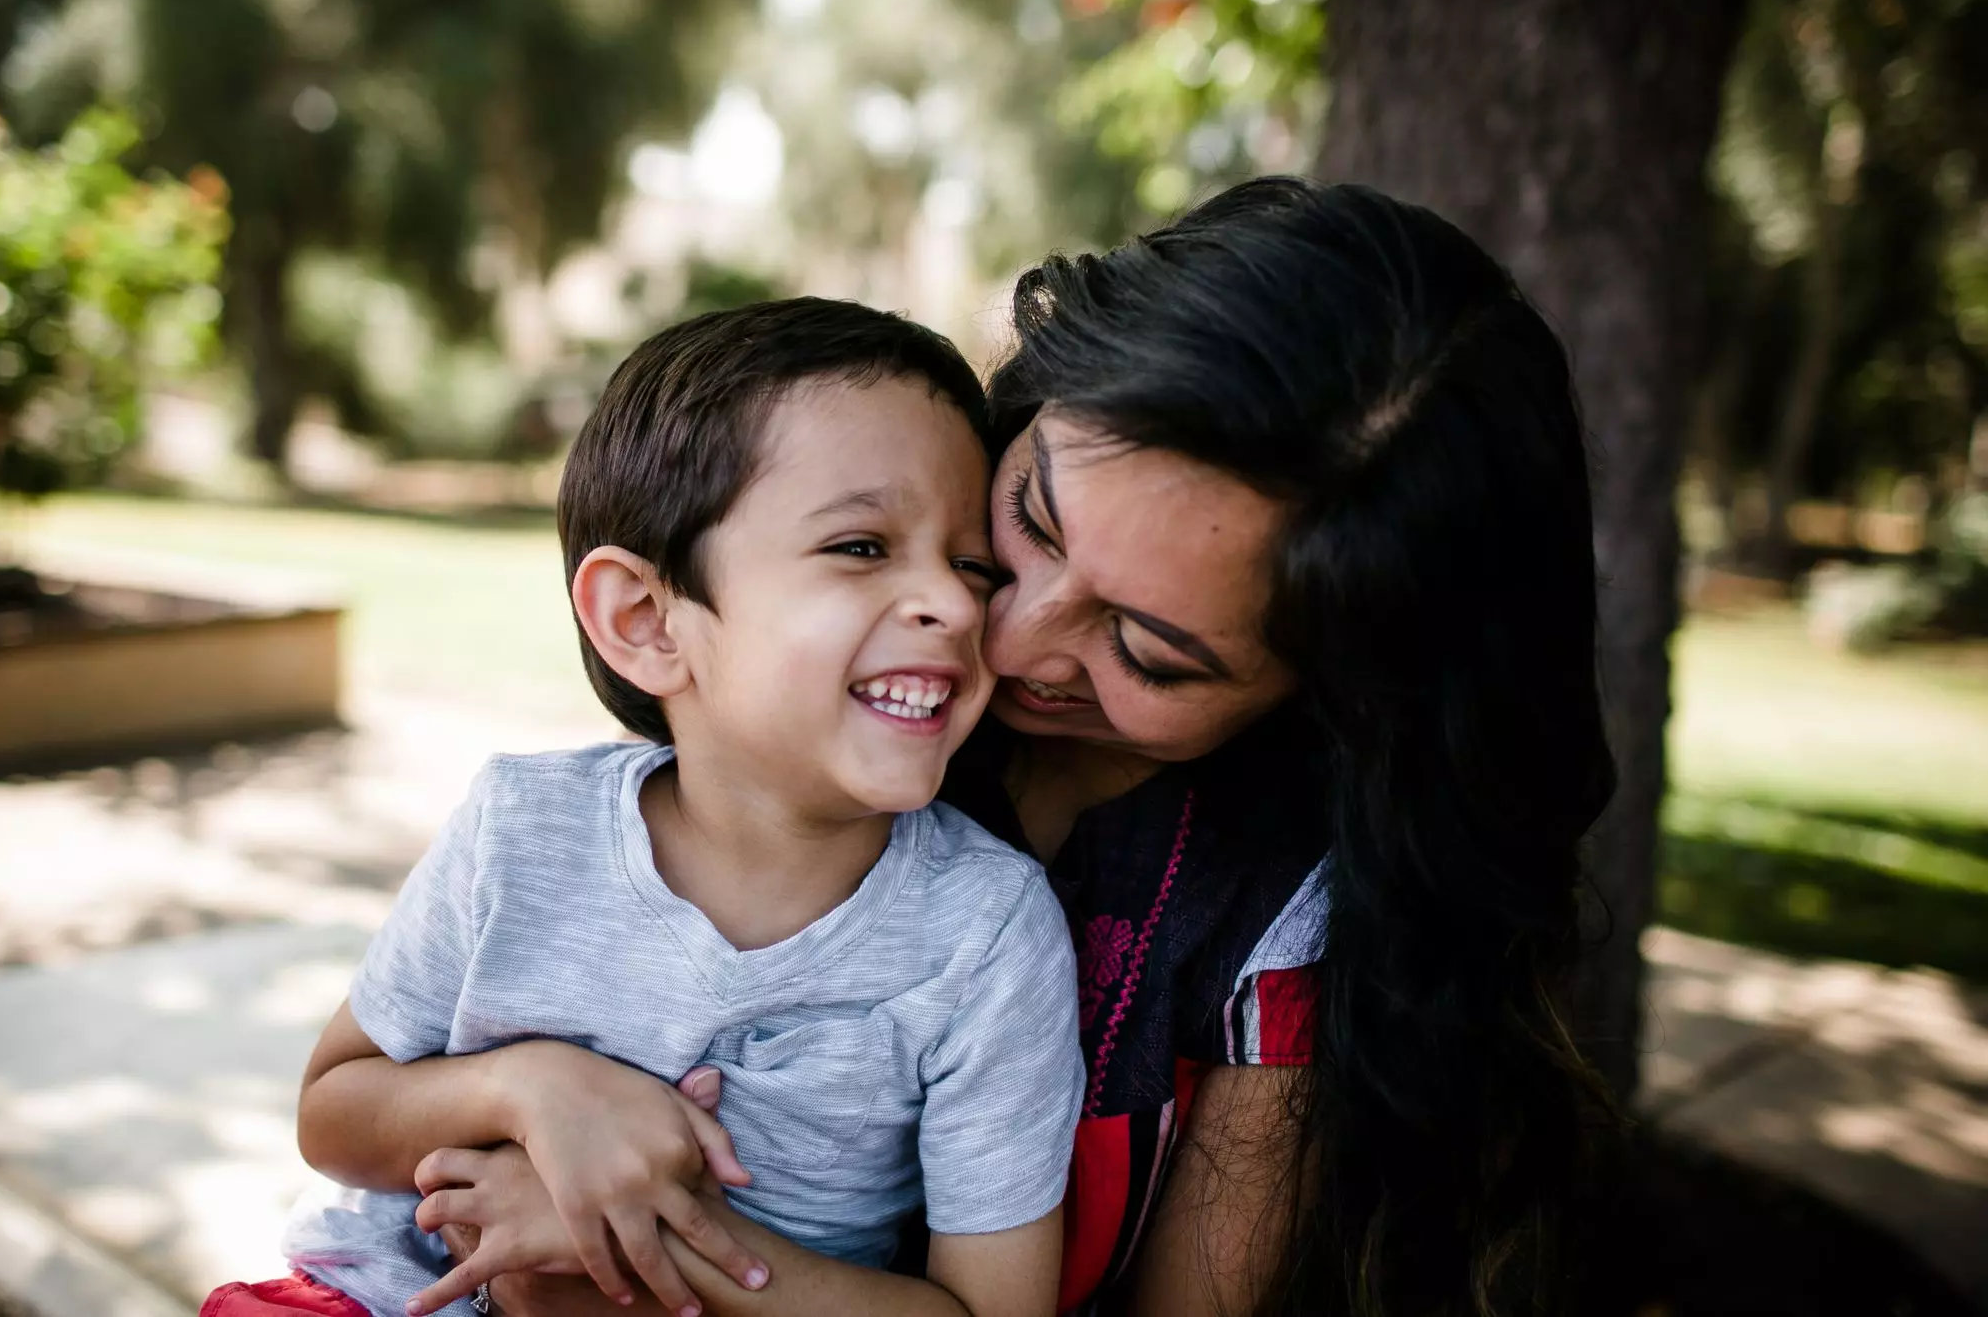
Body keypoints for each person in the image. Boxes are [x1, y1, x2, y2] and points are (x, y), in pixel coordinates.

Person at [284, 176, 1619, 1317]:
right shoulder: (800, 725)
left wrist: (646, 1242)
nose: (1013, 634)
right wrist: (527, 1101)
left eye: (1149, 652)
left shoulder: (1259, 930)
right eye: (1026, 523)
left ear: (1327, 695)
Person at [211, 299, 1088, 1317]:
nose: (952, 601)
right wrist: (532, 1088)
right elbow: (334, 1115)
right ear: (644, 620)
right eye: (860, 546)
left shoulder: (984, 935)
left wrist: (642, 1226)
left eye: (971, 564)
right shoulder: (522, 831)